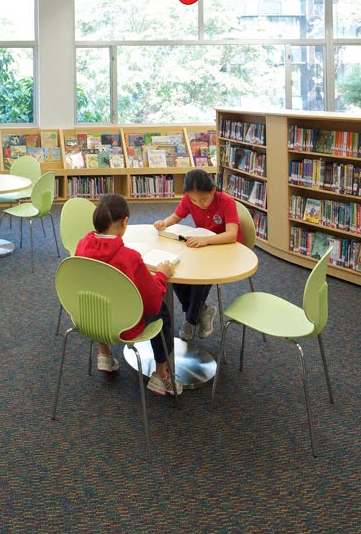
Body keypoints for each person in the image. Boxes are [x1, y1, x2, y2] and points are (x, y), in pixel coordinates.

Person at [75, 194, 182, 396]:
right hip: (124, 325)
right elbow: (152, 303)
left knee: (101, 291)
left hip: (90, 317)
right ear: (124, 222)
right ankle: (161, 374)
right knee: (163, 311)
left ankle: (104, 353)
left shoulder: (82, 245)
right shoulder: (130, 257)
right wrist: (161, 275)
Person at [154, 169, 240, 341]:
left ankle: (191, 320)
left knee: (201, 277)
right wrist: (164, 222)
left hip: (226, 250)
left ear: (213, 190)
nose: (199, 204)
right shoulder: (189, 199)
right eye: (193, 200)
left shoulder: (227, 202)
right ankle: (203, 311)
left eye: (203, 199)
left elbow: (232, 235)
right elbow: (176, 216)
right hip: (201, 247)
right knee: (175, 270)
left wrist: (206, 240)